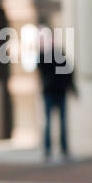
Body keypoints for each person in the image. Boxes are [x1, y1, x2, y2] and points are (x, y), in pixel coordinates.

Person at [37, 27, 76, 162]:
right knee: (48, 123)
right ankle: (48, 150)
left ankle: (63, 149)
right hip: (49, 92)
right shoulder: (43, 55)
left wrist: (72, 88)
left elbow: (68, 71)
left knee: (62, 123)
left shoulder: (59, 53)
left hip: (59, 92)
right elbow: (40, 69)